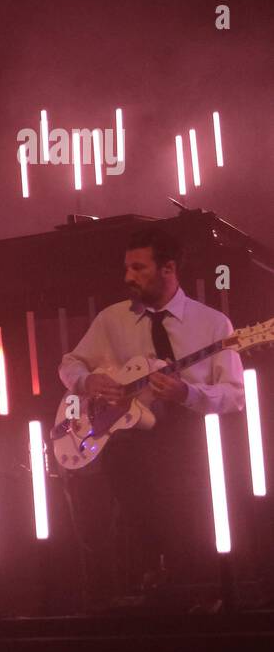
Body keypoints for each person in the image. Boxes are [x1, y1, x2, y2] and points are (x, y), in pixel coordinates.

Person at [58, 227, 243, 600]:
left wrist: (186, 392)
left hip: (189, 446)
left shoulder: (213, 325)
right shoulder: (112, 319)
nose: (128, 277)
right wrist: (88, 381)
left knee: (192, 532)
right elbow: (69, 363)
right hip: (128, 448)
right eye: (127, 267)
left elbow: (234, 395)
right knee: (135, 530)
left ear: (168, 268)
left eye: (139, 268)